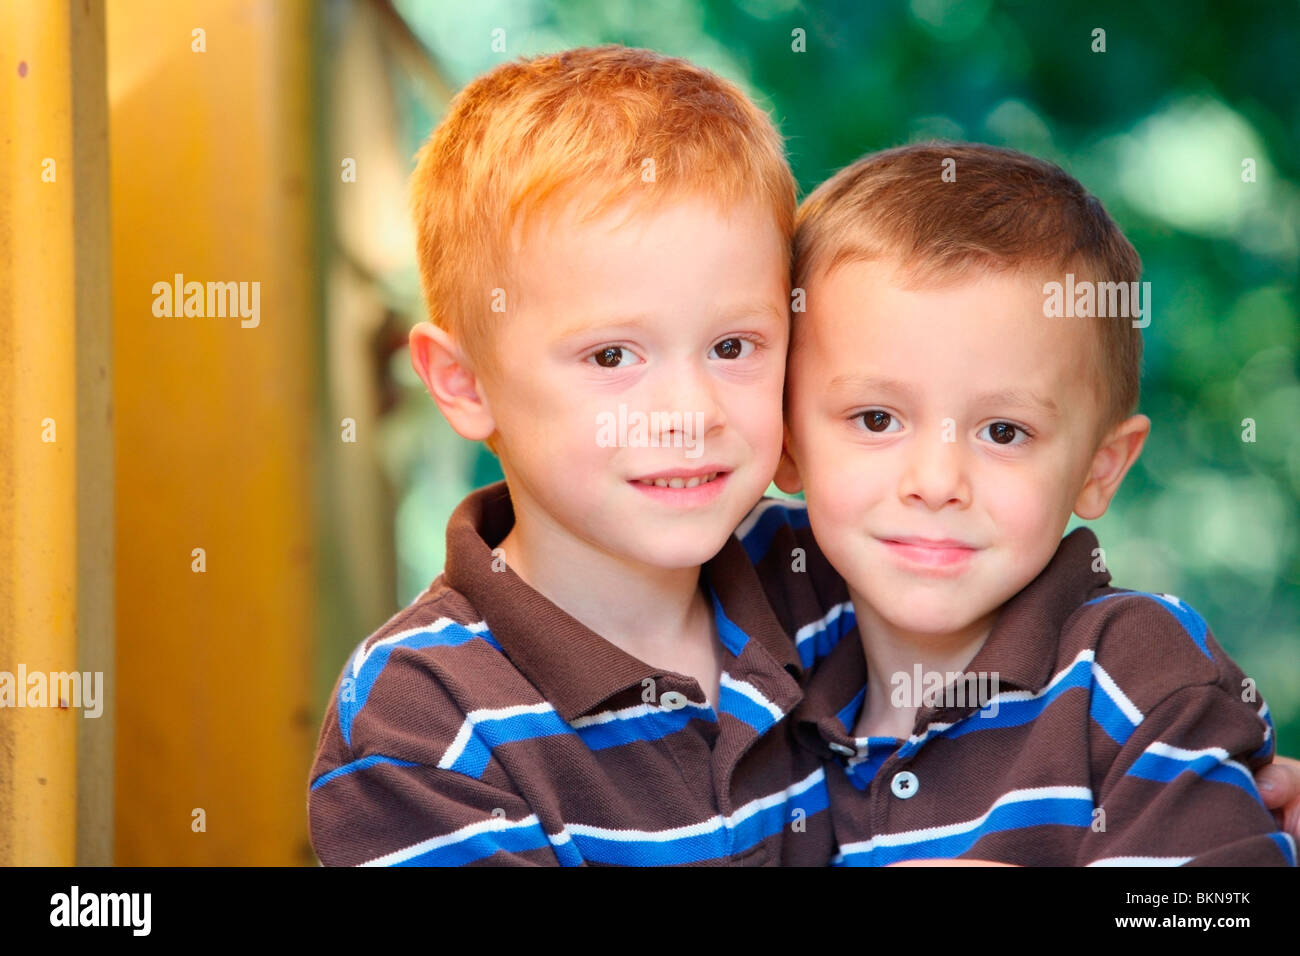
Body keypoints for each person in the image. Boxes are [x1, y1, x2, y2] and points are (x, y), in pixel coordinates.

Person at [774, 141, 1297, 865]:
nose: (936, 481)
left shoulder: (1131, 674)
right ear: (785, 440)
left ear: (1099, 468)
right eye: (876, 419)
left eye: (1003, 431)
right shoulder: (775, 669)